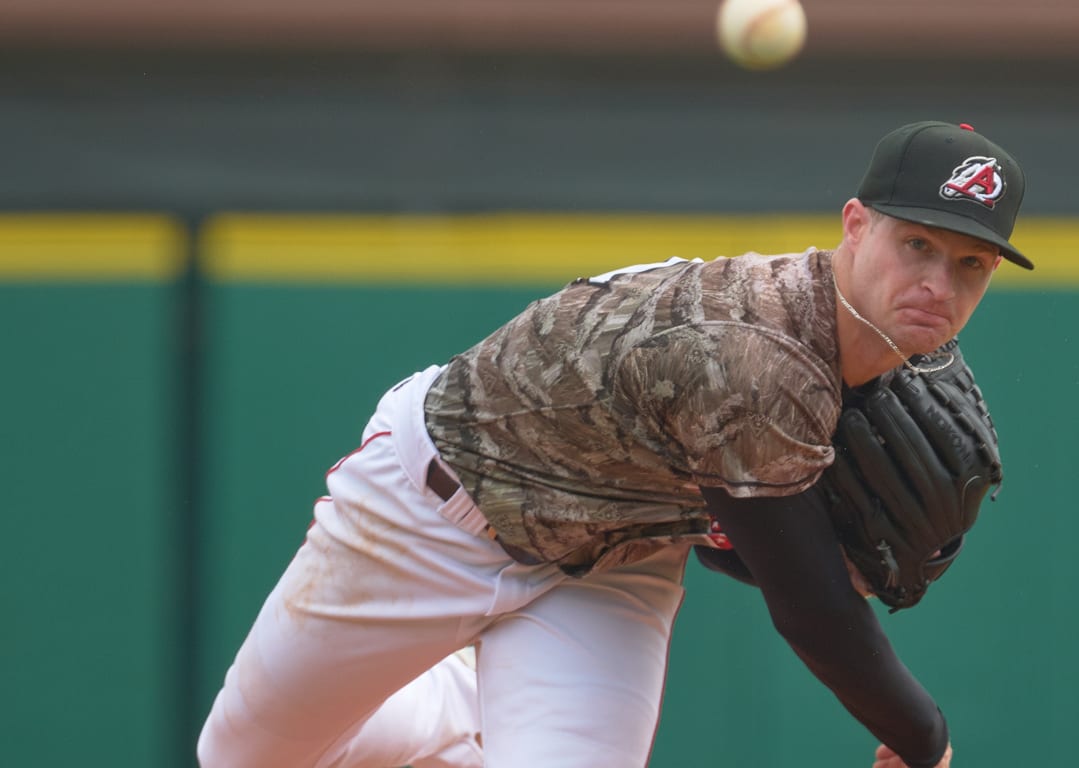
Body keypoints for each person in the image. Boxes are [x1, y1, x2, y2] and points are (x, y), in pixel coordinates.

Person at [198, 120, 1032, 768]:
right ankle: (459, 708)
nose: (938, 282)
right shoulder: (759, 352)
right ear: (855, 226)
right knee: (242, 758)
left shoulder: (877, 358)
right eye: (916, 243)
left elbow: (727, 544)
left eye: (970, 264)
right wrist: (925, 737)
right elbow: (810, 611)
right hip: (434, 511)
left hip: (613, 560)